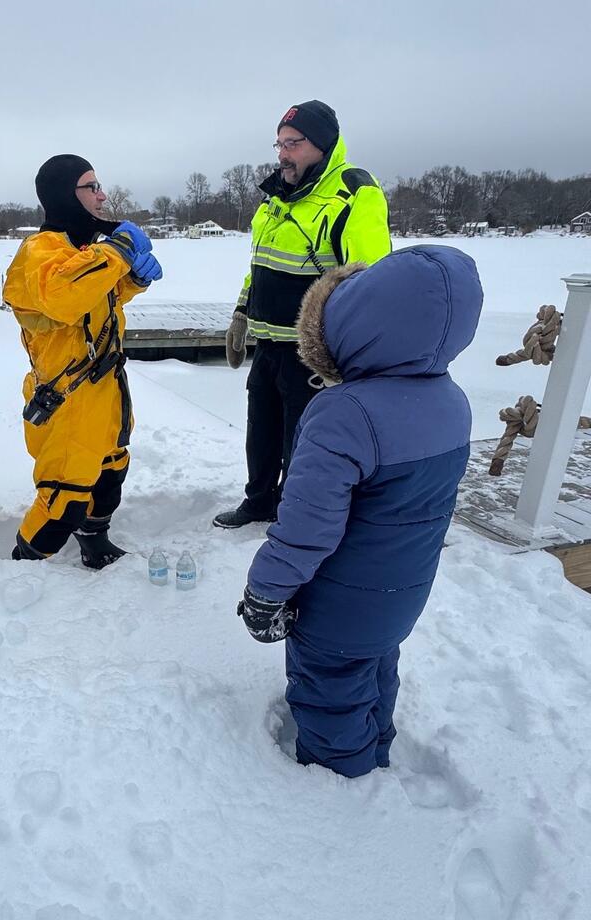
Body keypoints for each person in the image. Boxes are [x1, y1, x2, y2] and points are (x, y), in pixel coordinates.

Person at [238, 245, 483, 778]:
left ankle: (343, 783)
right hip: (403, 593)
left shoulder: (344, 414)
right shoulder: (453, 401)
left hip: (337, 603)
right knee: (375, 670)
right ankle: (378, 747)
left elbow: (307, 527)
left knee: (330, 692)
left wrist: (266, 592)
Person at [214, 100, 392, 529]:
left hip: (311, 353)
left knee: (304, 441)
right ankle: (258, 501)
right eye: (279, 143)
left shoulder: (353, 193)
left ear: (323, 145)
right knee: (261, 433)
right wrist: (242, 311)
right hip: (269, 343)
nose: (282, 153)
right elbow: (261, 264)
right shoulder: (277, 196)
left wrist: (346, 355)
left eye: (293, 143)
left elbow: (370, 282)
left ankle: (295, 515)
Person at [4, 154, 162, 567]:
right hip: (68, 396)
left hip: (106, 389)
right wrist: (118, 252)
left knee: (110, 476)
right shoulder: (38, 252)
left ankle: (96, 543)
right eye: (91, 187)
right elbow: (63, 299)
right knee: (64, 498)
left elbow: (96, 303)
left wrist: (132, 280)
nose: (102, 196)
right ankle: (22, 572)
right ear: (65, 195)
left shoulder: (84, 249)